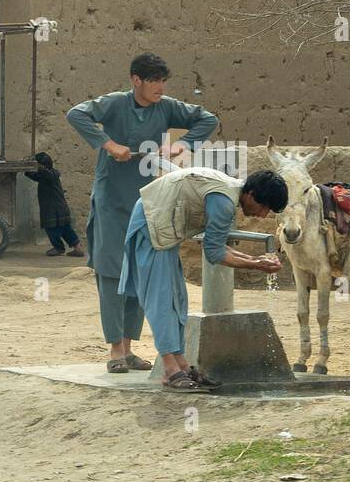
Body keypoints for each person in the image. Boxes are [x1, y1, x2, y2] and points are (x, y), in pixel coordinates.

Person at [66, 53, 220, 374]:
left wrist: (184, 144)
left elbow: (208, 119)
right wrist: (109, 145)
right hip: (111, 201)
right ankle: (115, 349)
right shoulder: (114, 104)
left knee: (138, 269)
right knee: (111, 271)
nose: (160, 87)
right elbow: (76, 113)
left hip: (146, 200)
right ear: (136, 80)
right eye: (154, 81)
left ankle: (131, 347)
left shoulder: (167, 106)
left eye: (163, 81)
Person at [119, 167, 289, 391]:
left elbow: (217, 245)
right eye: (265, 207)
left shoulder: (228, 194)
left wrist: (255, 260)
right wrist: (256, 265)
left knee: (177, 301)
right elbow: (215, 253)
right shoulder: (224, 203)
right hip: (151, 222)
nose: (263, 215)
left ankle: (182, 366)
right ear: (251, 194)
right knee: (161, 300)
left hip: (161, 226)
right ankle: (170, 370)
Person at [24, 152, 84, 257]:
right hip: (58, 207)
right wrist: (28, 167)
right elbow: (32, 175)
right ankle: (77, 246)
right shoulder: (46, 175)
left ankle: (58, 248)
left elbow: (44, 173)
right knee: (65, 228)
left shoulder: (50, 175)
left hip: (54, 208)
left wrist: (36, 165)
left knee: (52, 229)